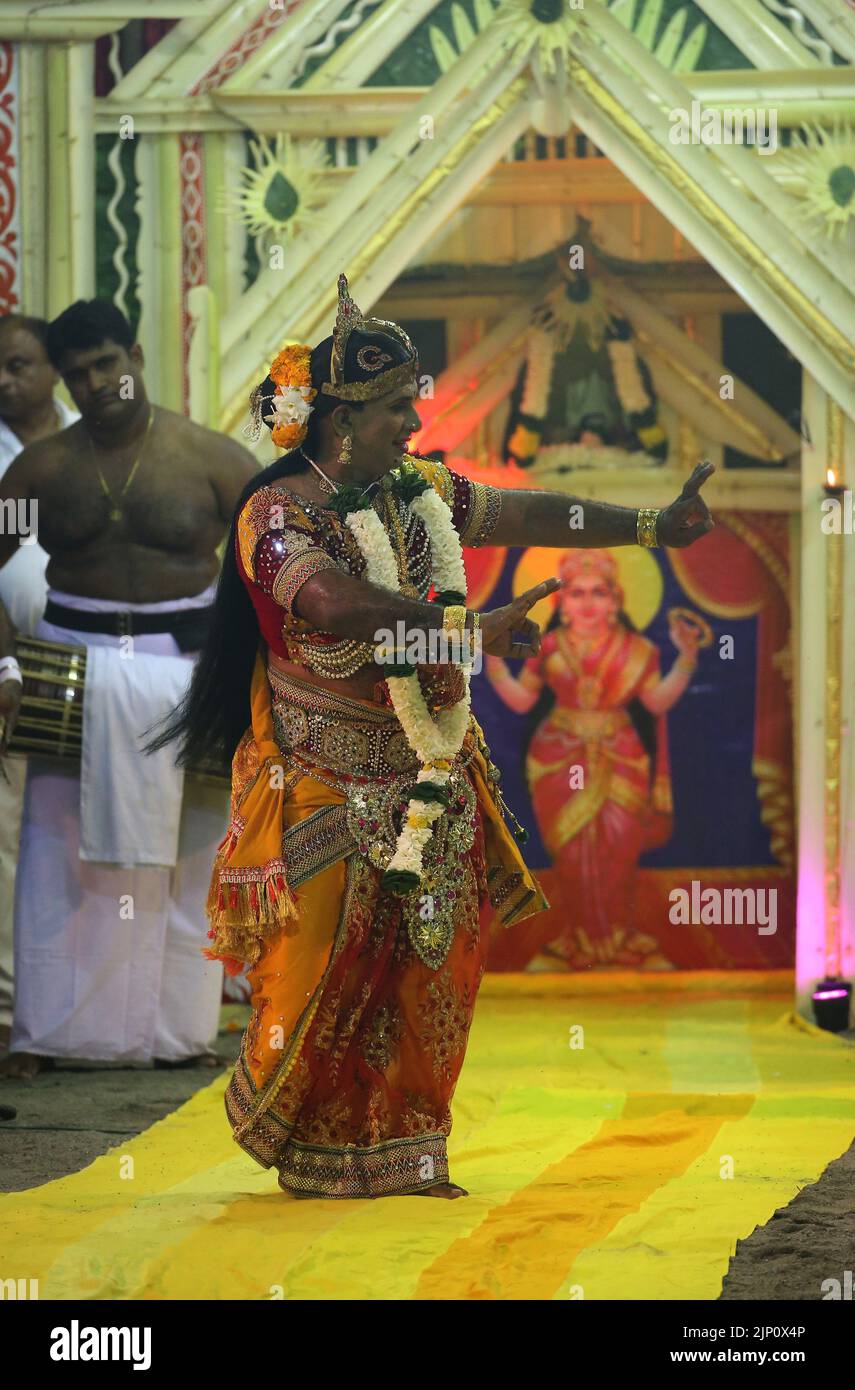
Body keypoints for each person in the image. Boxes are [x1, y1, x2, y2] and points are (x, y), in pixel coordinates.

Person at [152, 273, 714, 1199]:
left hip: (430, 769)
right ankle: (319, 1147)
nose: (412, 425)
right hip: (322, 777)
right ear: (339, 418)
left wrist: (653, 525)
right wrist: (461, 630)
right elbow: (334, 604)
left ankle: (407, 1151)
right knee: (322, 978)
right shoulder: (276, 514)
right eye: (395, 409)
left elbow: (530, 511)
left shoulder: (417, 495)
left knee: (433, 967)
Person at [0, 299, 257, 1079]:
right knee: (55, 848)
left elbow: (269, 576)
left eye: (107, 363)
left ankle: (177, 1035)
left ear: (136, 355)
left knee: (189, 849)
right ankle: (45, 1034)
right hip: (68, 667)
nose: (96, 383)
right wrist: (5, 667)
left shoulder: (216, 461)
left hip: (189, 668)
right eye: (78, 373)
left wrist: (259, 684)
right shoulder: (36, 471)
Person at [486, 549, 701, 970]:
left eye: (598, 593)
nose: (587, 603)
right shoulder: (546, 647)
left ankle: (619, 939)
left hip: (622, 757)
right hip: (556, 759)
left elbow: (655, 703)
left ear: (616, 601)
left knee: (620, 853)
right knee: (570, 854)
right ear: (562, 606)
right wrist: (494, 663)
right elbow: (522, 700)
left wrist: (687, 657)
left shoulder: (640, 650)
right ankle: (577, 940)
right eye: (577, 594)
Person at [0, 314, 80, 1051]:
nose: (3, 380)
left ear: (52, 368)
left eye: (19, 365)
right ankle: (10, 1017)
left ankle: (71, 1018)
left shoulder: (93, 436)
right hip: (13, 670)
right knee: (10, 841)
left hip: (93, 667)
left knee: (77, 837)